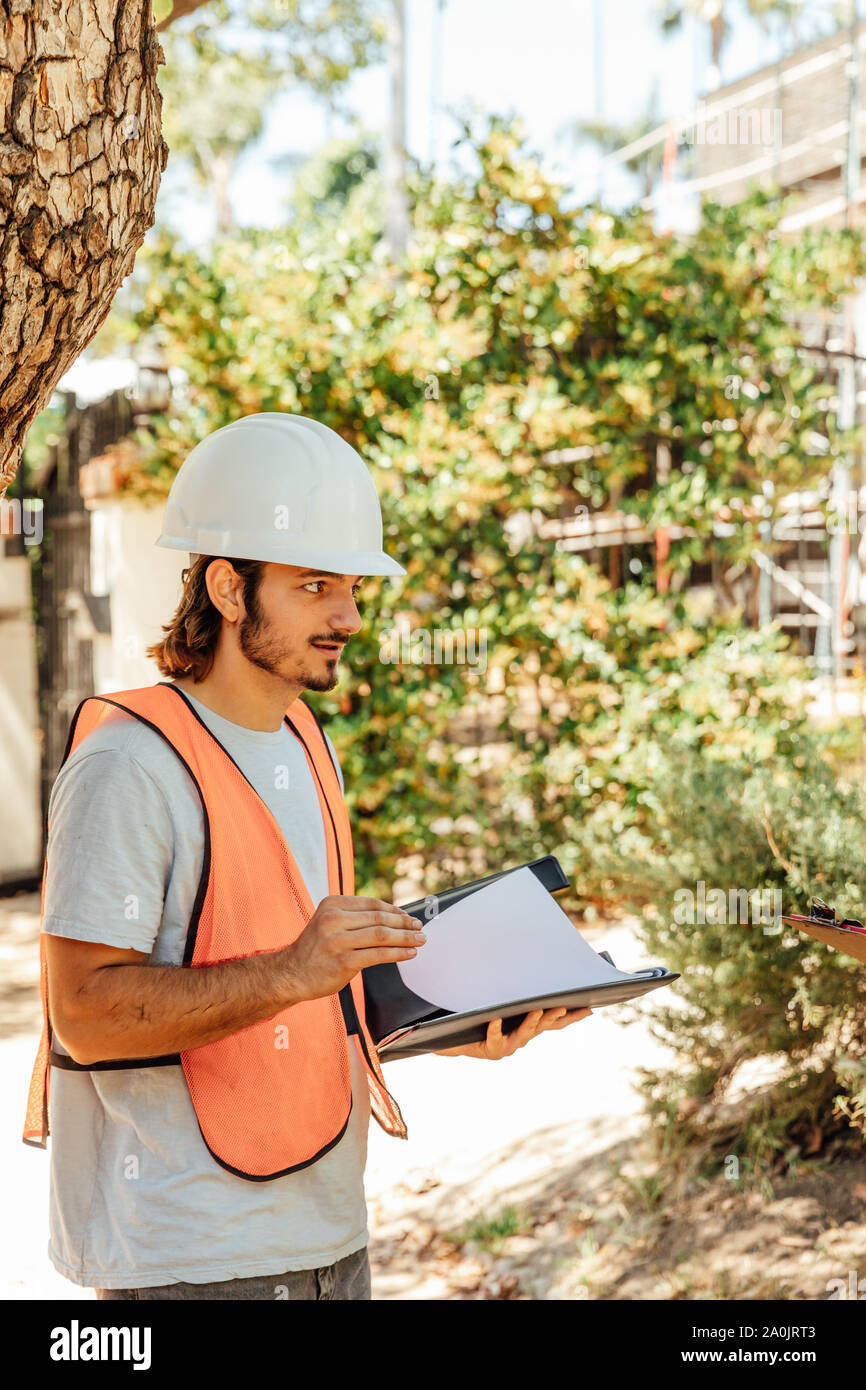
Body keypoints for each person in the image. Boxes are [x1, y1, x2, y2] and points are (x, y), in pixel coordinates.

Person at [22, 413, 591, 1301]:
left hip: (327, 1233)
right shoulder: (127, 764)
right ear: (227, 587)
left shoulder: (302, 737)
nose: (348, 617)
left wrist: (446, 1021)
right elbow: (87, 1013)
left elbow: (307, 986)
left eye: (352, 588)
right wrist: (294, 969)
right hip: (193, 1258)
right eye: (315, 585)